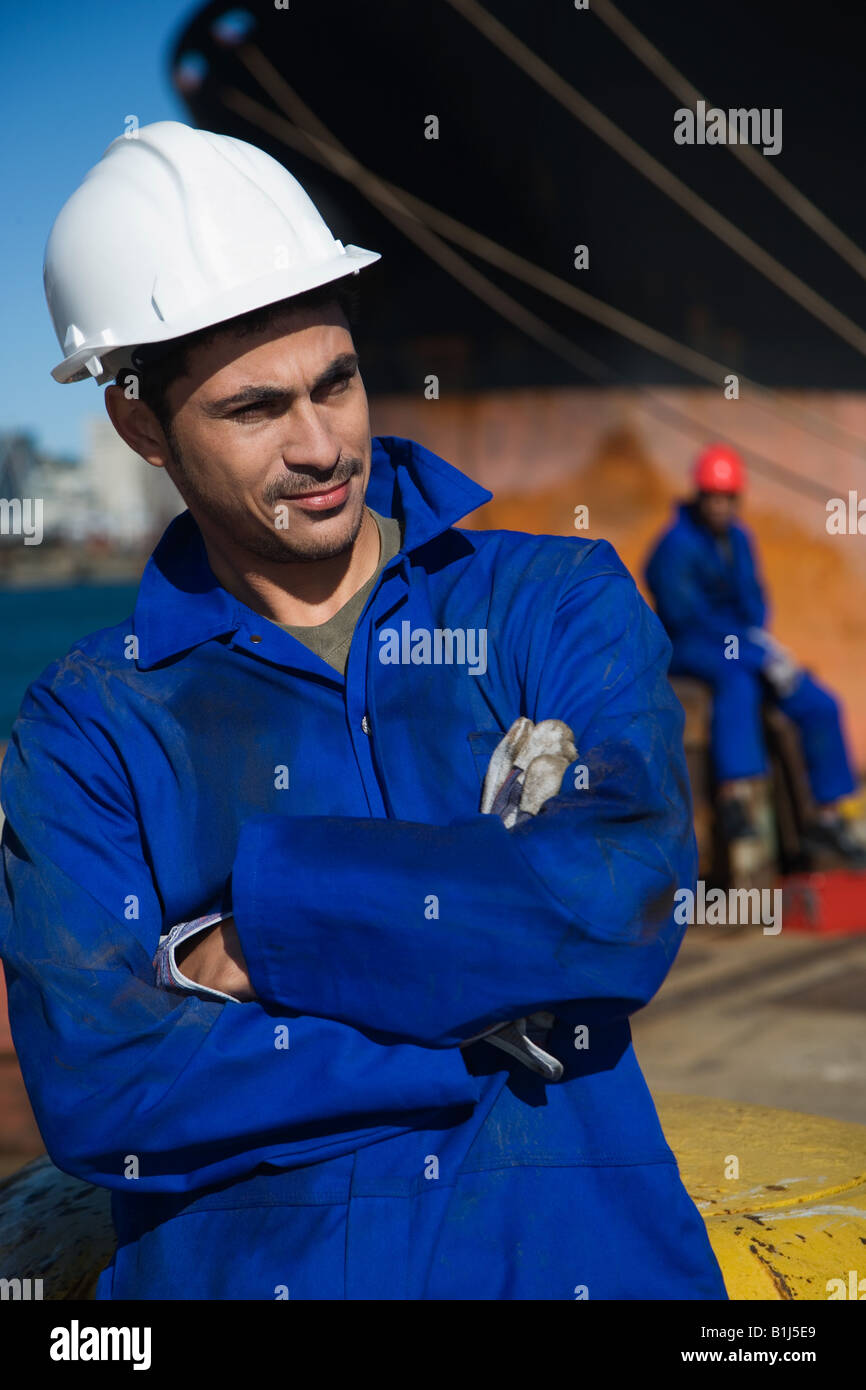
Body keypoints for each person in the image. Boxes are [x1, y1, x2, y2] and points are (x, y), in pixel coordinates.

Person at [0, 121, 726, 1301]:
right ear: (141, 427)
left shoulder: (554, 600)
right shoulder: (89, 726)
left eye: (335, 380)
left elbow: (619, 900)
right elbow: (101, 1084)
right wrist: (484, 1007)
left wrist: (259, 933)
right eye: (253, 410)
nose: (320, 443)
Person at [645, 443, 864, 861]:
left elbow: (756, 600)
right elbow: (685, 616)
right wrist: (752, 652)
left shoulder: (740, 539)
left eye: (728, 497)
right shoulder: (674, 546)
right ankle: (734, 799)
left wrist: (762, 644)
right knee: (737, 682)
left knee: (817, 700)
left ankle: (829, 818)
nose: (721, 506)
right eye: (713, 496)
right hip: (692, 647)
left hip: (743, 644)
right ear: (699, 495)